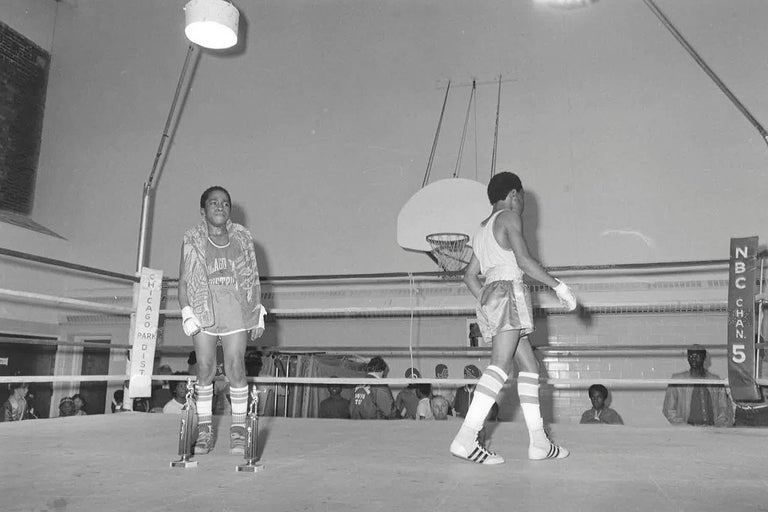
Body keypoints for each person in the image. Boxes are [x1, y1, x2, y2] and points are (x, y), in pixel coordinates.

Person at [450, 172, 578, 465]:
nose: (521, 206)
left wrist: (487, 297)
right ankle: (466, 437)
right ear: (513, 195)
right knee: (500, 365)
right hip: (508, 291)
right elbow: (524, 261)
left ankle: (539, 442)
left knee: (530, 365)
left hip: (497, 293)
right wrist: (559, 286)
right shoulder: (509, 218)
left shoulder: (482, 229)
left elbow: (469, 276)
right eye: (520, 199)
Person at [178, 185, 266, 455]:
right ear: (203, 210)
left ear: (230, 210)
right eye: (214, 202)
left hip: (234, 311)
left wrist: (257, 310)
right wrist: (186, 312)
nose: (220, 206)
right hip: (204, 309)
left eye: (225, 203)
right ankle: (204, 431)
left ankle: (239, 431)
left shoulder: (242, 239)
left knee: (235, 367)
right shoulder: (192, 239)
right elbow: (182, 282)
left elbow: (252, 277)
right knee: (204, 368)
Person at [662, 345, 733, 427]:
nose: (693, 358)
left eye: (697, 356)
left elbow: (723, 407)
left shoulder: (715, 380)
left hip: (712, 431)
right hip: (688, 433)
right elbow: (668, 409)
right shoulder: (678, 380)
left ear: (704, 357)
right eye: (690, 356)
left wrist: (719, 425)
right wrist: (684, 427)